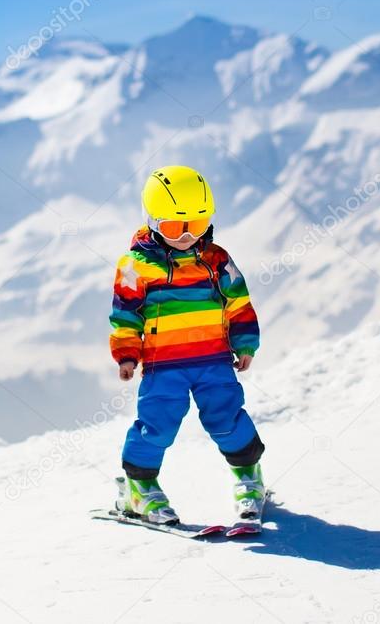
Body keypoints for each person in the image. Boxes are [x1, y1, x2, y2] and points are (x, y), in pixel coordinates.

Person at [109, 165, 265, 525]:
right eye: (174, 227)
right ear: (152, 220)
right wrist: (127, 354)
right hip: (164, 366)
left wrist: (245, 343)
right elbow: (125, 314)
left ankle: (248, 477)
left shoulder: (217, 261)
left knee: (226, 418)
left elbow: (238, 303)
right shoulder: (135, 266)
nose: (185, 236)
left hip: (214, 360)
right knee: (157, 425)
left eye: (196, 225)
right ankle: (139, 488)